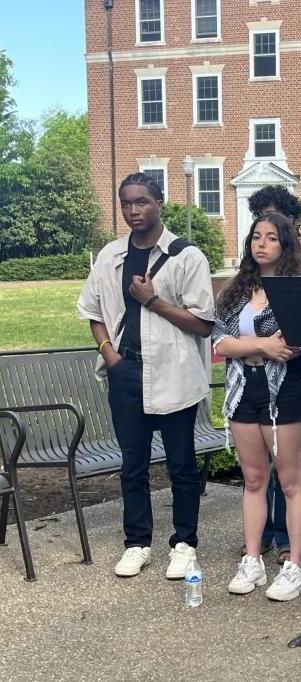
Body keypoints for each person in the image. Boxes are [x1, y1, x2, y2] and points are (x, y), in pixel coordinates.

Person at [77, 172, 214, 578]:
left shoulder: (186, 256)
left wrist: (152, 300)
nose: (133, 210)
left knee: (181, 464)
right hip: (126, 372)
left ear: (159, 203)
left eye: (142, 202)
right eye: (126, 203)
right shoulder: (110, 256)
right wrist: (109, 354)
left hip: (173, 372)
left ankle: (184, 543)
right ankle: (137, 542)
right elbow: (92, 311)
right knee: (132, 464)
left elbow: (203, 324)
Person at [213, 212, 301, 600]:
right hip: (245, 387)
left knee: (290, 480)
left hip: (287, 389)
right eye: (256, 237)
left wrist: (261, 346)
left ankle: (294, 565)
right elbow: (220, 342)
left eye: (271, 238)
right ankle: (253, 560)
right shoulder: (237, 290)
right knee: (255, 479)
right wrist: (261, 345)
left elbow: (296, 344)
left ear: (285, 245)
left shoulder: (297, 289)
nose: (261, 244)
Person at [244, 186, 301, 564]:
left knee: (292, 466)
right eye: (261, 216)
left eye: (276, 217)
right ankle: (266, 534)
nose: (267, 228)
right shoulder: (249, 275)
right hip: (254, 382)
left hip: (292, 379)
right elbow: (225, 333)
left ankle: (293, 541)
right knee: (259, 470)